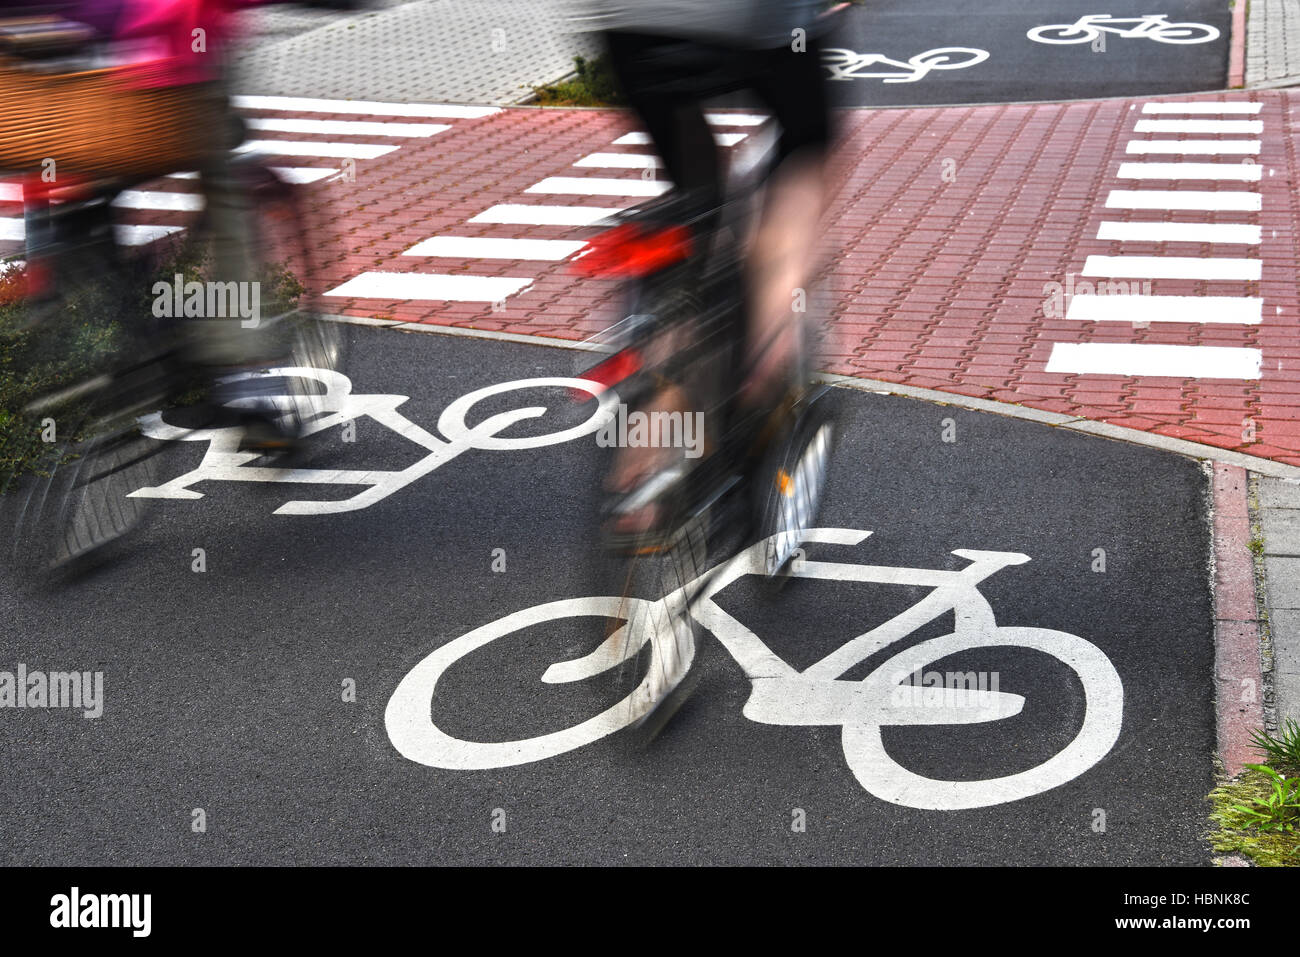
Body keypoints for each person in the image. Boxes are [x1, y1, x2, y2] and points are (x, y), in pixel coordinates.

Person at [573, 0, 836, 535]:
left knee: (697, 197)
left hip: (626, 24)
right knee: (807, 153)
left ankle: (644, 454)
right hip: (751, 22)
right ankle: (762, 371)